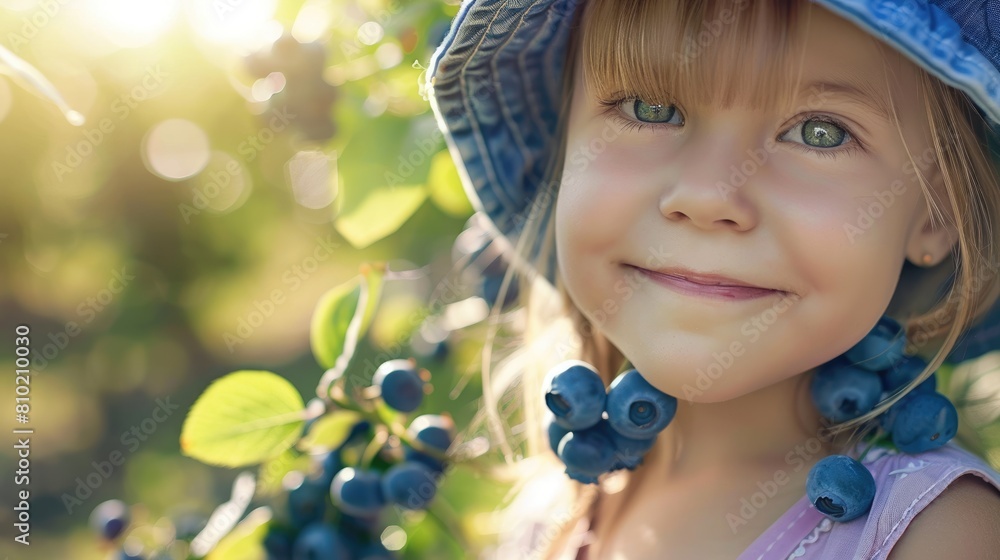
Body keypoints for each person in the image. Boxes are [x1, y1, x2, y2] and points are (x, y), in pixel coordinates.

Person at [424, 0, 1000, 558]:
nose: (707, 195)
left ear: (937, 213)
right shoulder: (549, 516)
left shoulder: (938, 536)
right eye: (649, 108)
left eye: (819, 132)